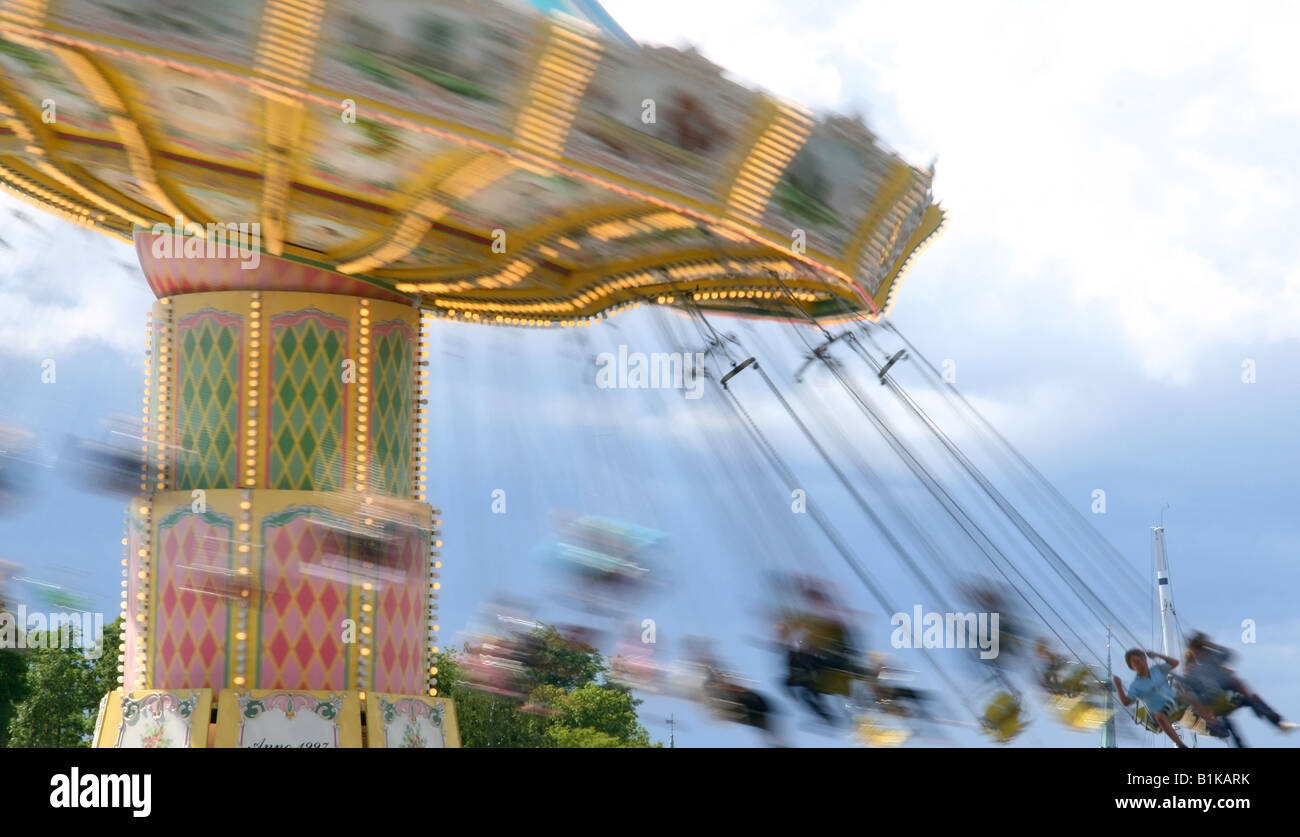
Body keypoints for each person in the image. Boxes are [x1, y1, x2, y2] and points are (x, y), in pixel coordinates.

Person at [1182, 632, 1295, 737]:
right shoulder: (1193, 670)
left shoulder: (1210, 658)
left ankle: (1276, 721)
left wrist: (1211, 645)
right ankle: (1216, 726)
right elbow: (1190, 688)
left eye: (1200, 649)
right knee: (1228, 723)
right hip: (1212, 701)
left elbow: (1229, 655)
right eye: (1197, 650)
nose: (1199, 653)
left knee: (1247, 694)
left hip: (1225, 696)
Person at [1114, 649, 1190, 747]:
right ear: (1132, 667)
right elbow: (1126, 702)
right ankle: (1181, 744)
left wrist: (1157, 655)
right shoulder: (1135, 685)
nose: (1141, 663)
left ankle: (1211, 719)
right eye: (1136, 662)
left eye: (1142, 659)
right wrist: (1119, 686)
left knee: (1191, 693)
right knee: (1159, 717)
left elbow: (1175, 663)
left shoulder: (1157, 670)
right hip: (1162, 711)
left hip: (1175, 702)